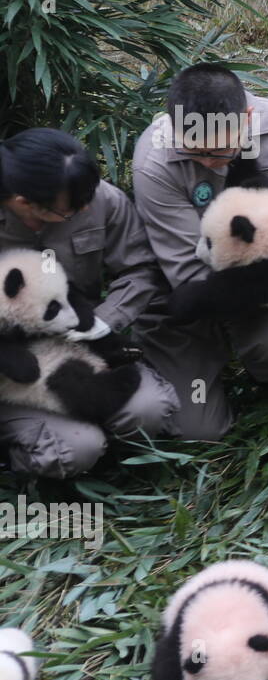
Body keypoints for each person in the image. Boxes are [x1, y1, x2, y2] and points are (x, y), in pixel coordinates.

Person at [131, 64, 268, 440]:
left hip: (263, 281)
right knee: (198, 432)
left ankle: (264, 375)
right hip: (190, 287)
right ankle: (203, 354)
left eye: (217, 149)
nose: (207, 161)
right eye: (195, 151)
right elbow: (191, 275)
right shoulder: (153, 160)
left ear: (248, 118)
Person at [0, 128, 179, 477]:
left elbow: (141, 269)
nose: (86, 209)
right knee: (76, 450)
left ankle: (108, 442)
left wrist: (98, 328)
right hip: (11, 369)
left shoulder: (100, 200)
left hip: (79, 341)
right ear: (23, 202)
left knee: (149, 410)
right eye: (72, 210)